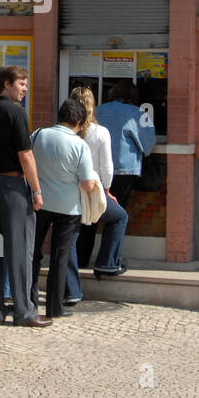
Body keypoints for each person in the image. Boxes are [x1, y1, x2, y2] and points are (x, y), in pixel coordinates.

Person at [0, 65, 51, 327]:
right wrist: (37, 190)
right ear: (6, 84)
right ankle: (24, 310)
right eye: (21, 84)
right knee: (19, 248)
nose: (24, 90)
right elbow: (25, 155)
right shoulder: (16, 113)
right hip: (12, 187)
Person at [29, 98, 97, 319]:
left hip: (38, 202)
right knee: (60, 257)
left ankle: (29, 301)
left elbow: (26, 160)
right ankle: (54, 307)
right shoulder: (79, 145)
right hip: (68, 208)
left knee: (34, 253)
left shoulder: (38, 134)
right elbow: (87, 183)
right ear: (78, 122)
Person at [69, 84, 129, 285]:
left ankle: (78, 263)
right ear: (92, 106)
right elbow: (107, 167)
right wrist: (107, 190)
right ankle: (107, 263)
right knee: (120, 216)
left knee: (78, 228)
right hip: (92, 189)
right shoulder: (100, 132)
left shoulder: (65, 133)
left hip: (68, 191)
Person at [94, 80, 156, 211]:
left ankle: (88, 232)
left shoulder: (97, 111)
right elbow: (148, 147)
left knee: (92, 214)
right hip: (124, 170)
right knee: (118, 215)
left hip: (96, 168)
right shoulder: (139, 114)